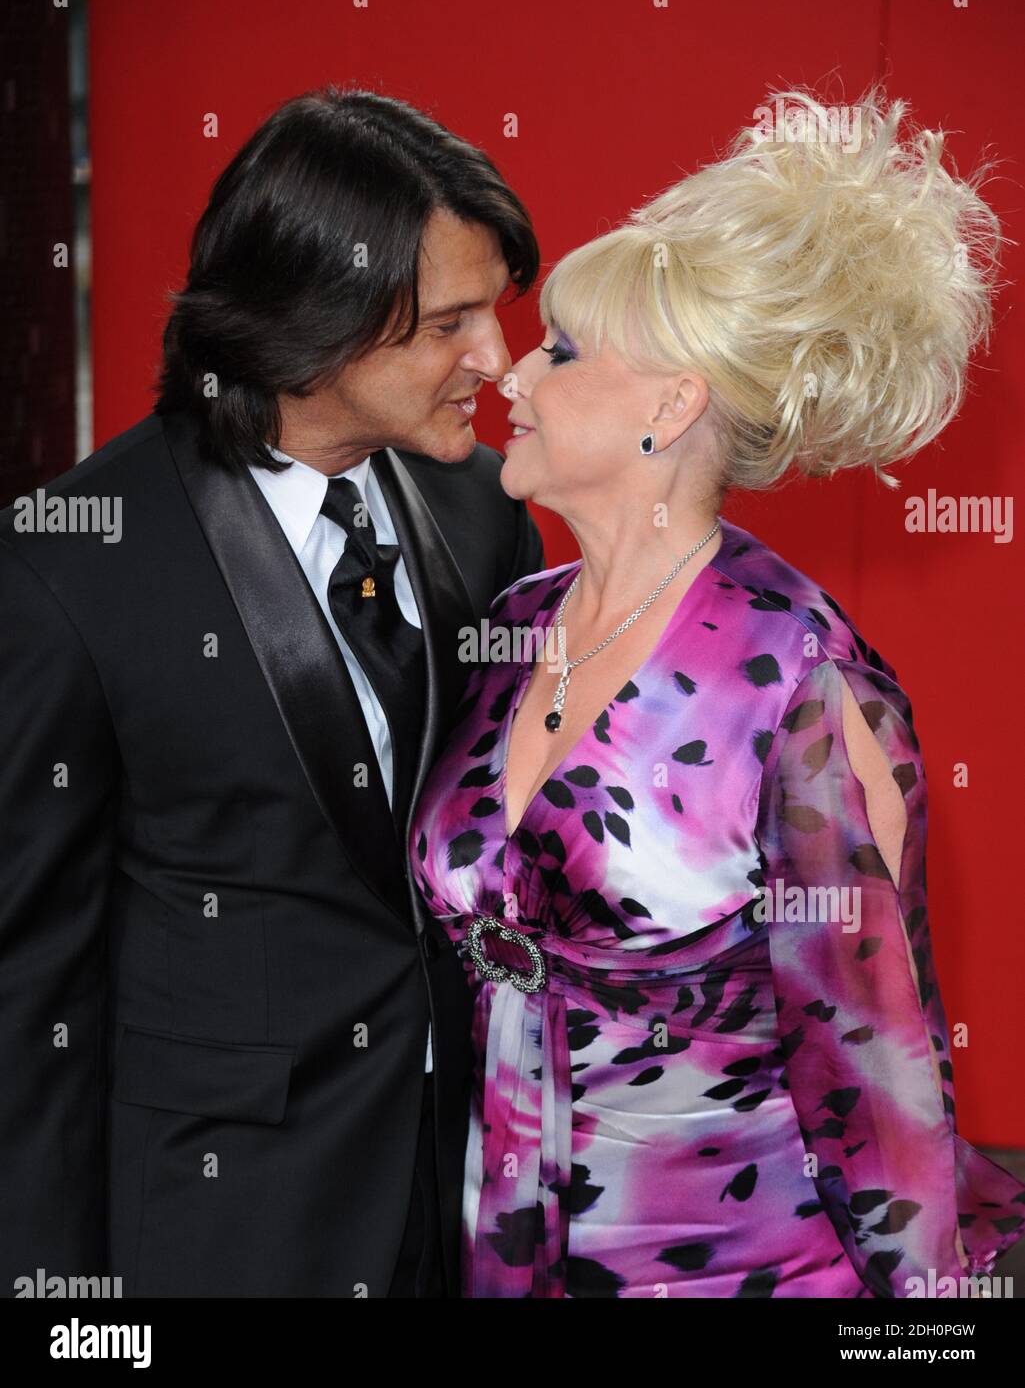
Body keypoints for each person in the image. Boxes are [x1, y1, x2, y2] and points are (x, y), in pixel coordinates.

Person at [409, 87, 1025, 1297]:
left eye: (561, 352)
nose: (510, 374)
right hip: (500, 1258)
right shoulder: (511, 625)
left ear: (668, 407)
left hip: (741, 1271)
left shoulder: (802, 689)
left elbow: (875, 1086)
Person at [0, 86, 544, 1298]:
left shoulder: (484, 509)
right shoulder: (68, 567)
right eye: (450, 322)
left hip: (462, 1198)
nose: (494, 359)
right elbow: (27, 990)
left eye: (492, 314)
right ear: (318, 322)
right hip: (222, 1226)